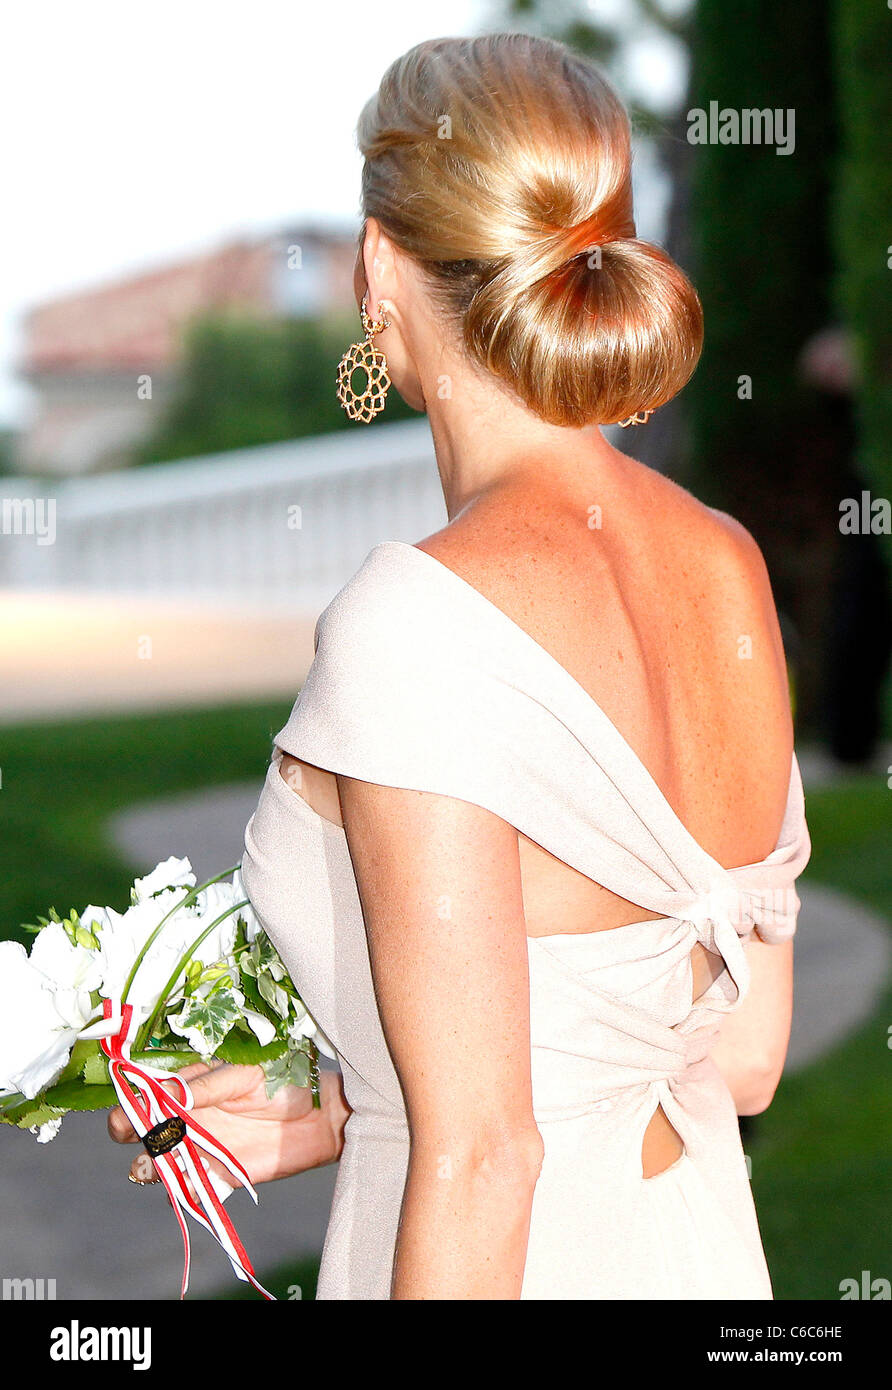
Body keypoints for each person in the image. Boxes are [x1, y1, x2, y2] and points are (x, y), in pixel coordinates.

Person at [109, 33, 811, 1300]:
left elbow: (486, 1156)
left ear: (378, 263)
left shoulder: (416, 621)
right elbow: (742, 1053)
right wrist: (346, 1101)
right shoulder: (728, 566)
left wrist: (412, 1118)